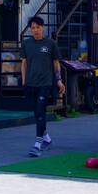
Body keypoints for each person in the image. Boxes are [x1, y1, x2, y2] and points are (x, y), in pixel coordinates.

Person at [21, 16, 64, 157]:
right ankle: (47, 139)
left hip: (45, 83)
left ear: (42, 27)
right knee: (37, 113)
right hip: (30, 83)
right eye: (33, 28)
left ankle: (37, 144)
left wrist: (58, 80)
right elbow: (24, 63)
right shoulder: (26, 43)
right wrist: (23, 80)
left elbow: (56, 63)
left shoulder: (50, 44)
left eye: (38, 27)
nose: (35, 30)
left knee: (40, 110)